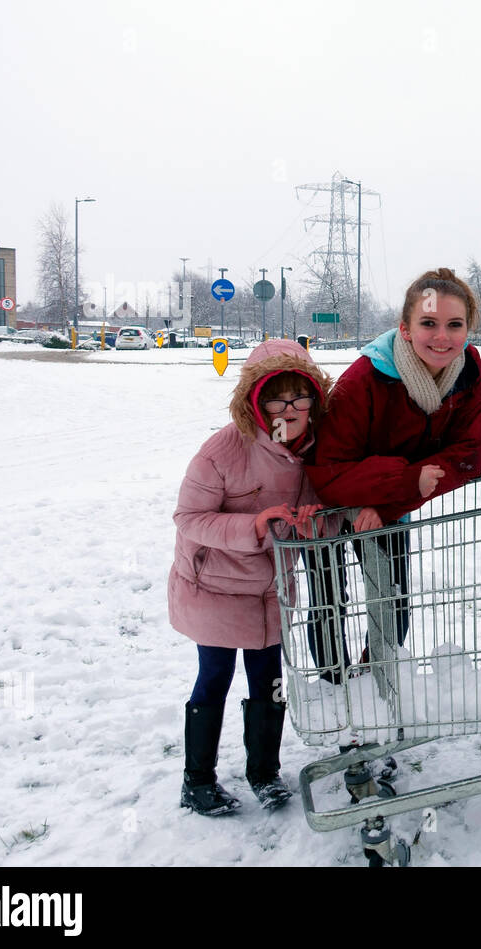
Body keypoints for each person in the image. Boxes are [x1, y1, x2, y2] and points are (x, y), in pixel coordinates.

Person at [169, 338, 333, 816]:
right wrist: (254, 524)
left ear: (314, 398)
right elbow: (189, 517)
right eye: (276, 399)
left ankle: (264, 773)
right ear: (254, 401)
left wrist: (316, 522)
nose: (289, 409)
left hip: (270, 590)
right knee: (214, 677)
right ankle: (196, 780)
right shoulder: (222, 450)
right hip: (213, 584)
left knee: (269, 680)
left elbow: (328, 514)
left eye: (299, 396)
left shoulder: (317, 449)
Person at [304, 268, 481, 673]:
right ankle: (333, 686)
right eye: (428, 323)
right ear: (405, 328)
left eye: (454, 325)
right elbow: (328, 471)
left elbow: (467, 455)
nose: (442, 337)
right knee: (330, 597)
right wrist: (403, 482)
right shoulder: (364, 381)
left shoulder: (469, 372)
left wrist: (389, 503)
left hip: (391, 500)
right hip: (322, 504)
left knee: (392, 600)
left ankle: (376, 679)